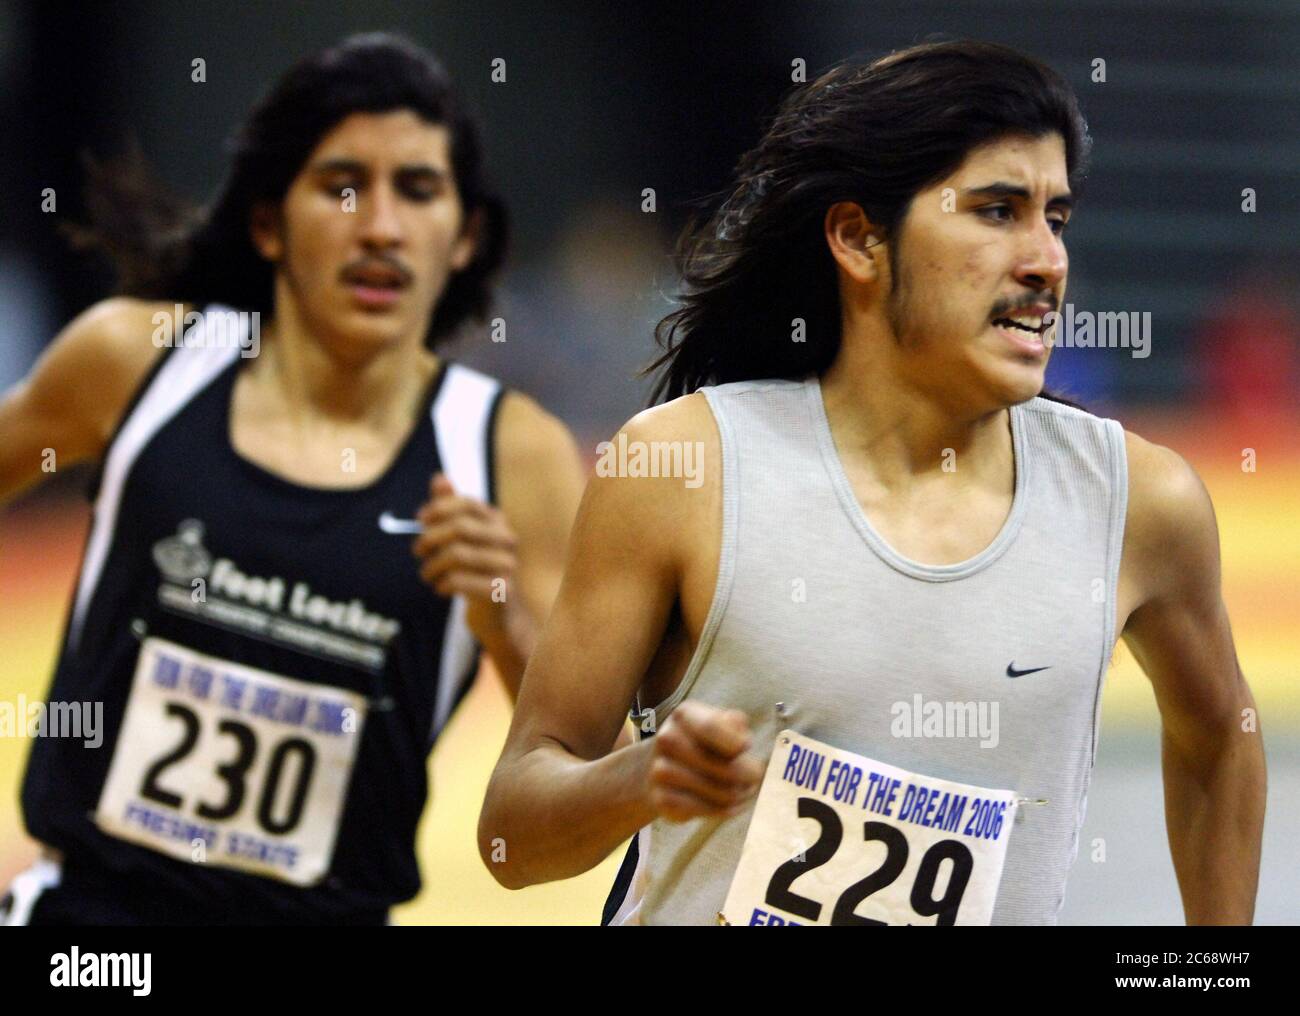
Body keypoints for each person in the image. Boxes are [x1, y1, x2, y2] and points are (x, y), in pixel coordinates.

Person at [477, 41, 1266, 925]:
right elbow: (512, 832)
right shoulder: (686, 468)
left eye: (1057, 218)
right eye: (998, 211)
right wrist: (639, 777)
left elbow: (1219, 742)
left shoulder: (1139, 502)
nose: (1047, 260)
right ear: (858, 238)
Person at [0, 33, 584, 925]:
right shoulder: (136, 362)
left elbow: (579, 778)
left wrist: (501, 618)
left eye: (419, 190)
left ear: (464, 238)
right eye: (342, 186)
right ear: (269, 221)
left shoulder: (512, 455)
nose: (381, 225)